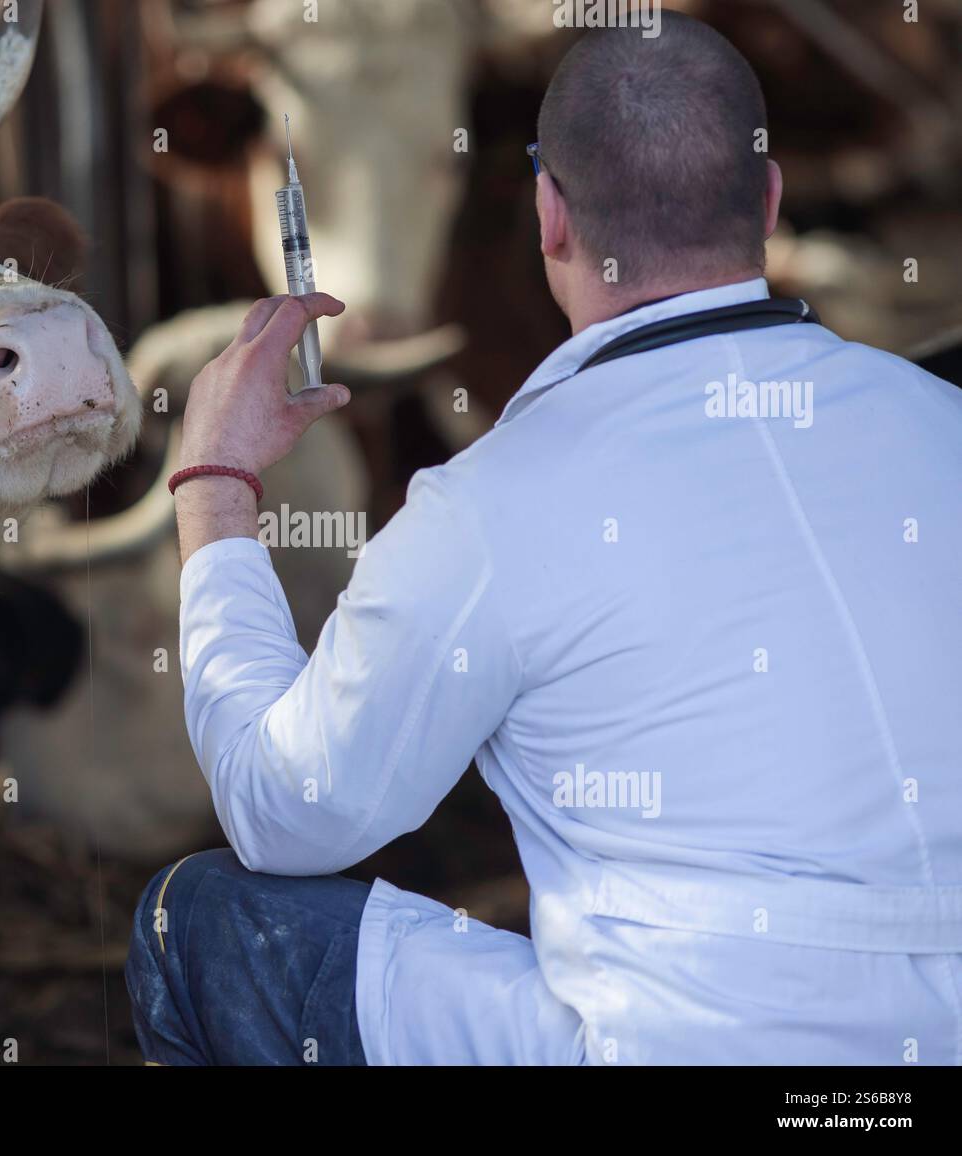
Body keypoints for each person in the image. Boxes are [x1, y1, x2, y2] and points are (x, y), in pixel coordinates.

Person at [124, 11, 962, 1065]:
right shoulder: (943, 424)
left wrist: (214, 483)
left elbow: (281, 815)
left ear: (547, 213)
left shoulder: (483, 506)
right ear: (770, 199)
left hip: (683, 1049)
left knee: (200, 918)